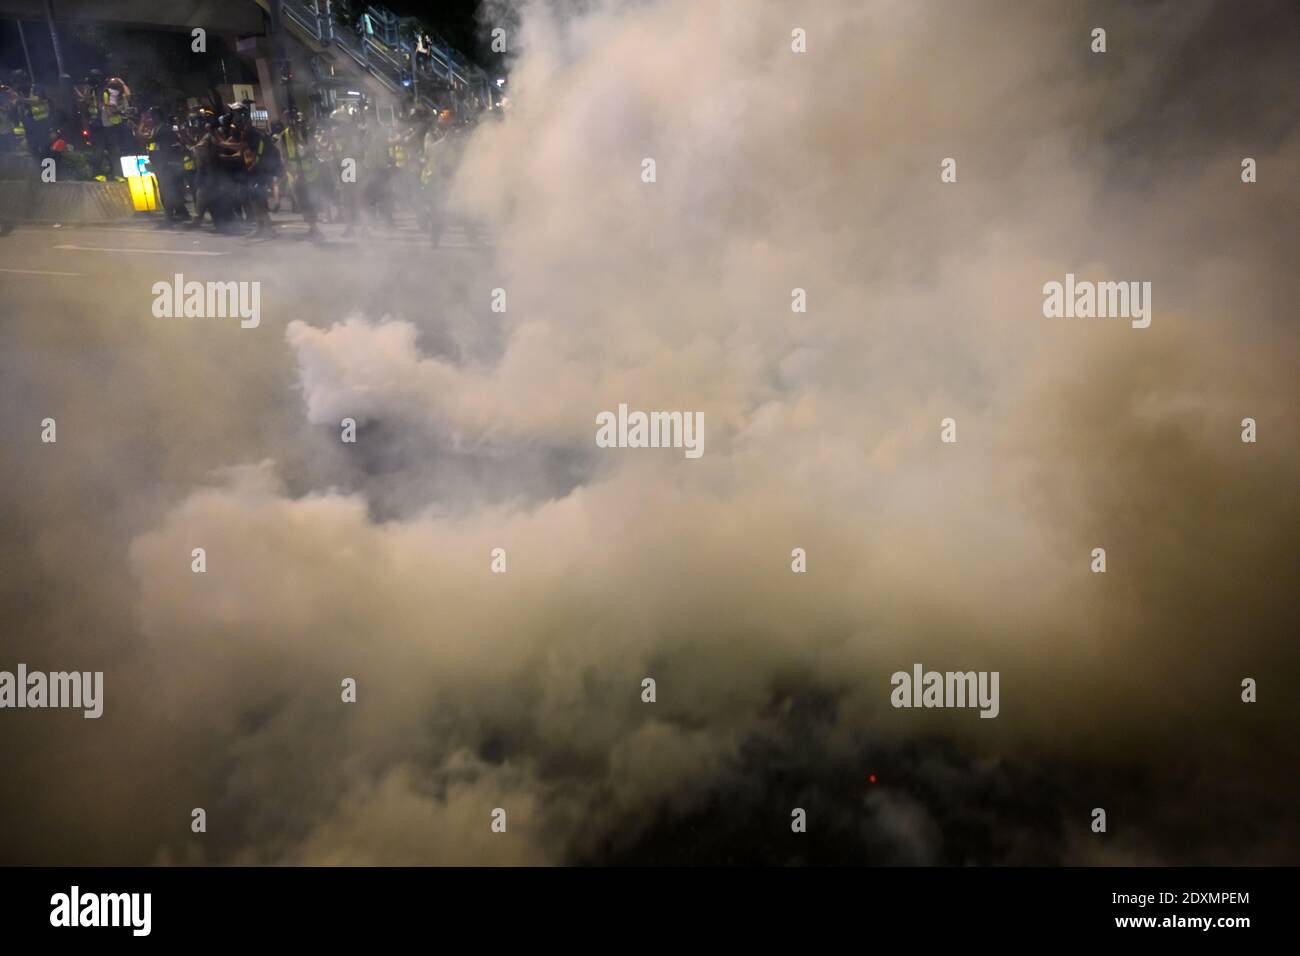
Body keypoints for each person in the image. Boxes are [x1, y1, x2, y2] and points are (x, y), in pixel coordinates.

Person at [280, 108, 322, 240]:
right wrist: (292, 172)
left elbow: (312, 147)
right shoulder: (284, 135)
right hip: (295, 174)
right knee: (302, 202)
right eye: (288, 118)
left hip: (311, 173)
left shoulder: (305, 132)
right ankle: (312, 226)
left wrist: (297, 139)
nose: (290, 121)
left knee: (313, 201)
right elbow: (283, 156)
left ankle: (314, 226)